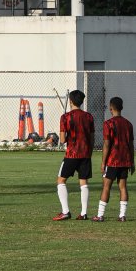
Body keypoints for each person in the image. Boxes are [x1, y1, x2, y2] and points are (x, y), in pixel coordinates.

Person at [52, 88, 95, 221]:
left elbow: (63, 139)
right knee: (84, 183)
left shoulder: (65, 117)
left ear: (70, 101)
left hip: (71, 154)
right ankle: (83, 213)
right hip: (86, 154)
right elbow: (92, 138)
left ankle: (65, 211)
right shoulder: (89, 116)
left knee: (61, 181)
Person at [93, 96, 134, 222]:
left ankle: (100, 215)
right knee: (123, 187)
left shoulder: (108, 124)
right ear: (121, 108)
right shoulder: (128, 124)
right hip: (125, 160)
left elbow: (106, 144)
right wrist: (132, 162)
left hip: (112, 160)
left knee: (106, 187)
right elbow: (131, 145)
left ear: (111, 108)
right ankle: (122, 215)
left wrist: (103, 162)